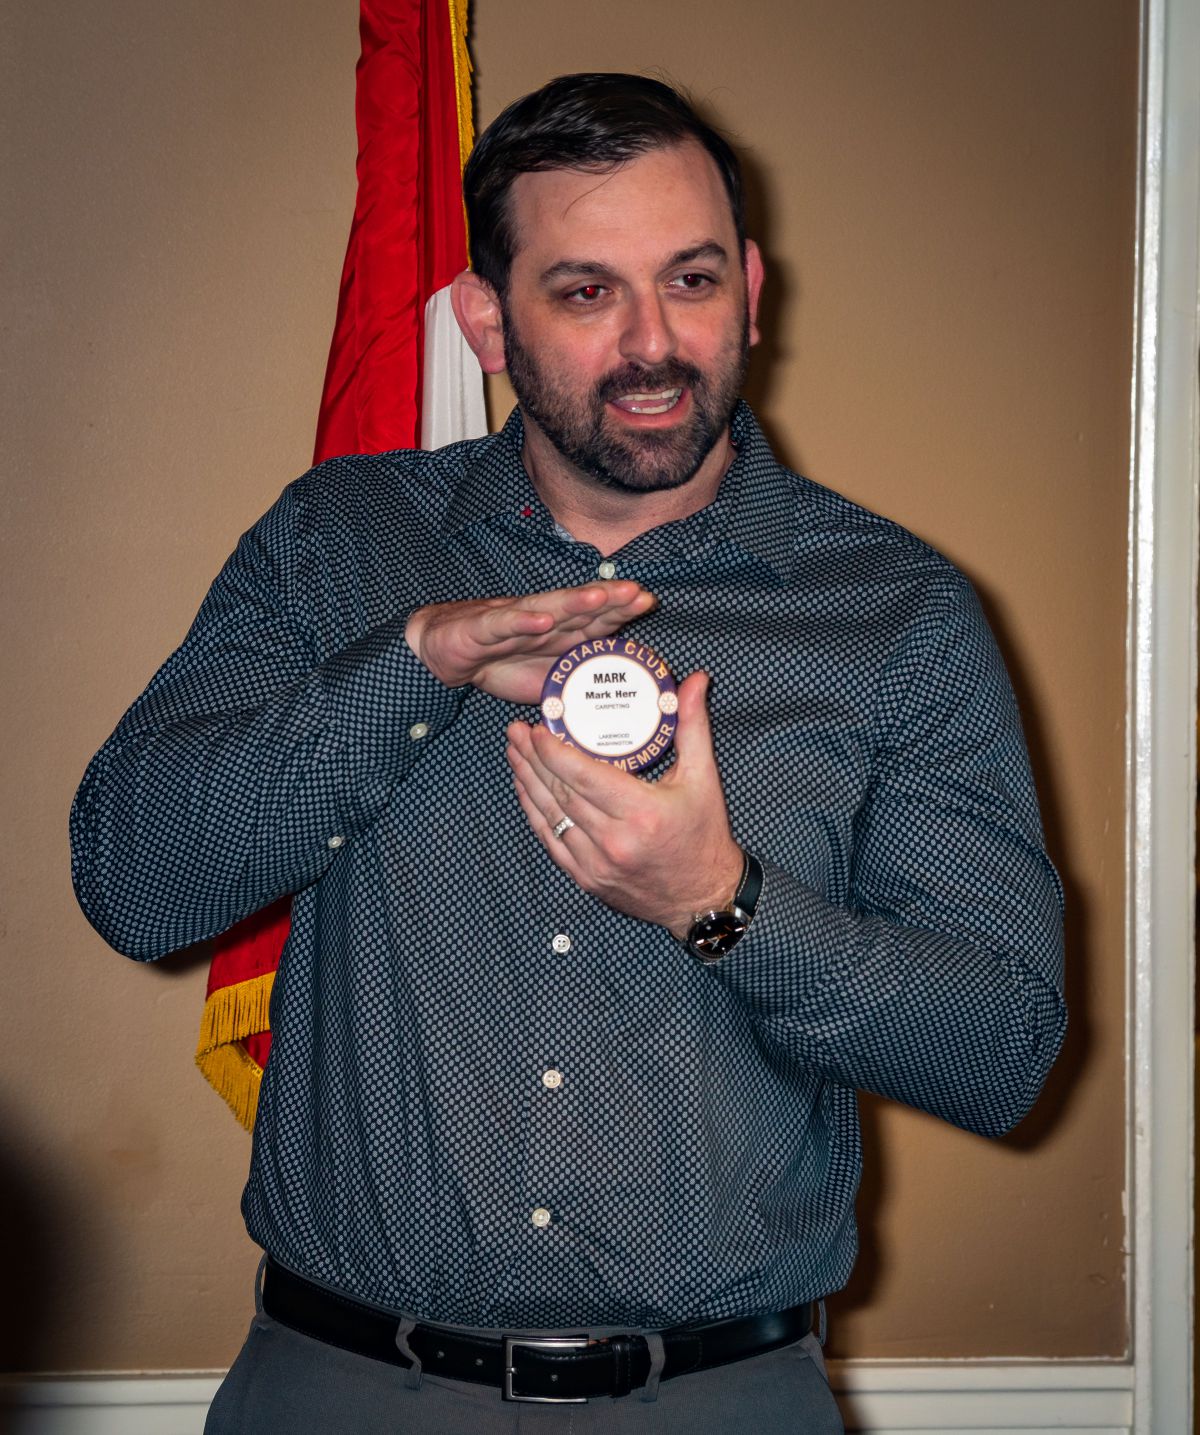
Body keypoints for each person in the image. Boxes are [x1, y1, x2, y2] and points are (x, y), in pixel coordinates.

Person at [70, 72, 1066, 1434]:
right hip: (346, 1390)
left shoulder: (899, 614)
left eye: (691, 281)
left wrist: (720, 903)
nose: (654, 343)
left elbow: (1001, 1049)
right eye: (587, 291)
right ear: (488, 320)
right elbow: (133, 883)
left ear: (752, 291)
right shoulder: (334, 544)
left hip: (718, 1401)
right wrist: (410, 666)